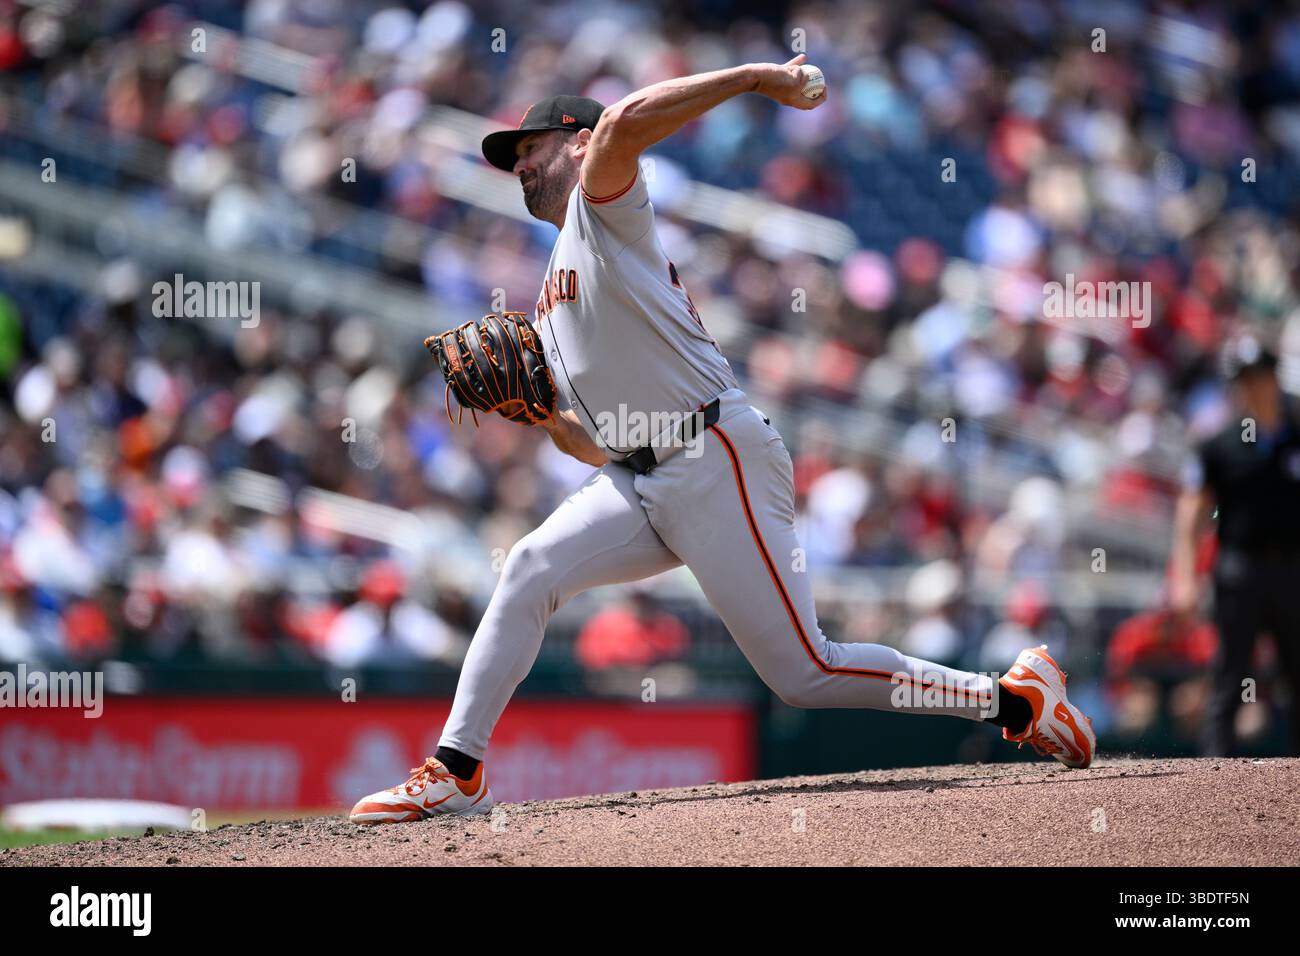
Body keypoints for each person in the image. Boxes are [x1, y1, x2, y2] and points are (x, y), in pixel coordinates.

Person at [349, 57, 1095, 823]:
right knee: (532, 566)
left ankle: (1013, 700)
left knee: (805, 673)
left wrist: (756, 78)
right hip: (642, 476)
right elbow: (593, 446)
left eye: (529, 148)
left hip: (714, 453)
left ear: (575, 143)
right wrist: (539, 418)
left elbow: (623, 125)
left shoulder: (602, 208)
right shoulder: (552, 298)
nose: (519, 166)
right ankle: (457, 770)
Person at [1170, 335, 1300, 756]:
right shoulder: (1220, 444)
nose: (1252, 386)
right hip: (1239, 569)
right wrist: (1185, 577)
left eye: (1258, 377)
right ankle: (1215, 780)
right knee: (1229, 676)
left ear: (1273, 379)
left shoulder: (1296, 434)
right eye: (1244, 379)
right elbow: (1193, 511)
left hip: (1293, 570)